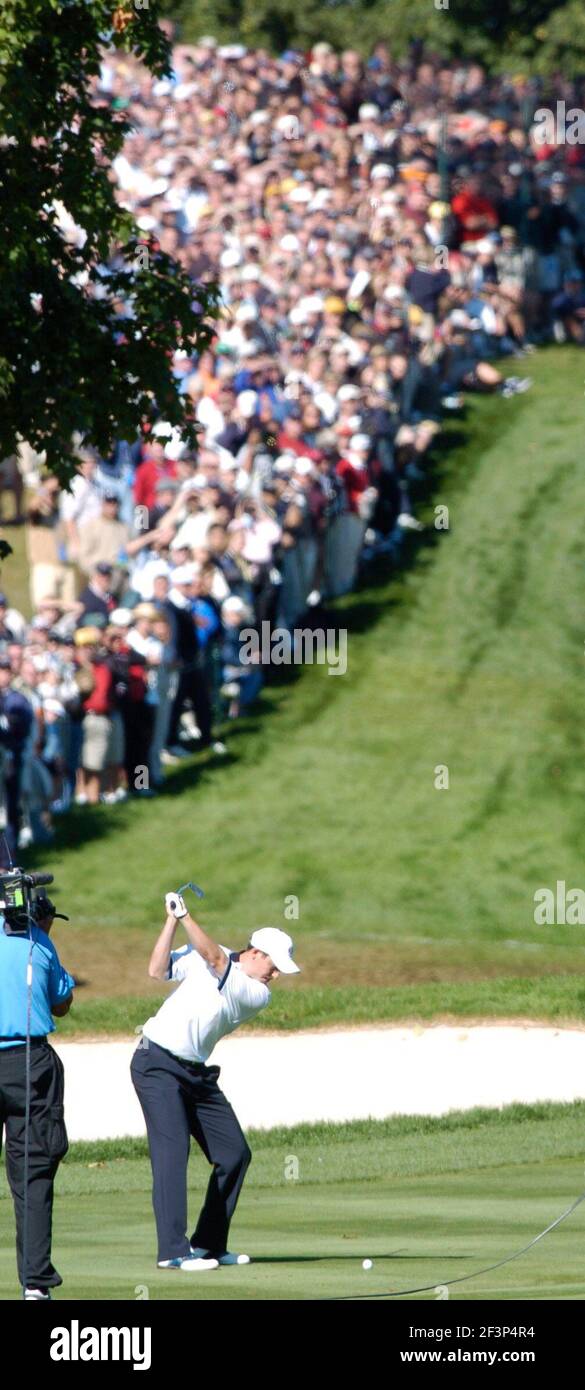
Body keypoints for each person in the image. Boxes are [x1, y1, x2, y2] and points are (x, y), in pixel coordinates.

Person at [131, 892, 300, 1271]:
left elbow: (216, 959)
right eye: (274, 966)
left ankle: (208, 1243)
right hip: (155, 1063)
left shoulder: (256, 994)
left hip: (196, 1074)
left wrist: (187, 915)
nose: (275, 976)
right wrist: (172, 920)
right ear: (255, 953)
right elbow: (157, 971)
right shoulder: (211, 955)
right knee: (172, 1153)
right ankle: (173, 1251)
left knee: (234, 1153)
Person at [0, 888, 74, 1299]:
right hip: (29, 1062)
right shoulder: (40, 943)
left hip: (23, 1060)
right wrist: (42, 936)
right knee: (32, 1171)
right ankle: (35, 1283)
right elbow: (61, 1003)